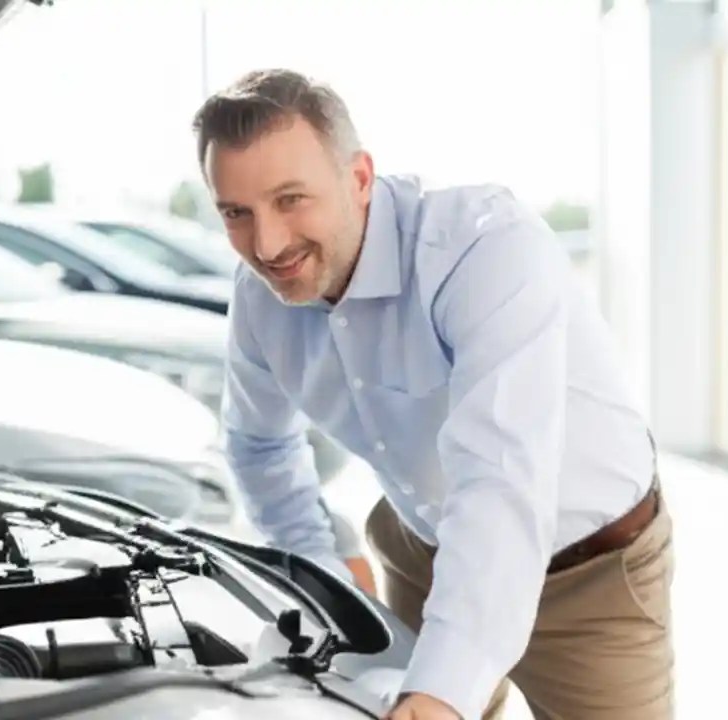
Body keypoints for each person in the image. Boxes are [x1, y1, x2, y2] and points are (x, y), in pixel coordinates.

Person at [193, 69, 674, 720]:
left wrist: (444, 691)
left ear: (359, 178)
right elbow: (256, 444)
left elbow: (500, 481)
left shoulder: (483, 248)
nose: (268, 244)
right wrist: (320, 559)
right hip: (422, 548)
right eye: (236, 214)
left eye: (290, 199)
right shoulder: (259, 300)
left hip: (590, 580)